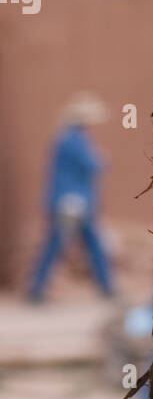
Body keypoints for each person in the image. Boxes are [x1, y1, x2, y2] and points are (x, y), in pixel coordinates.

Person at [28, 92, 114, 300]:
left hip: (73, 202)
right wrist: (101, 159)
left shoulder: (67, 137)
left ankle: (105, 288)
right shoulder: (73, 139)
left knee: (83, 244)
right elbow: (92, 164)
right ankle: (36, 290)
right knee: (59, 244)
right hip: (72, 202)